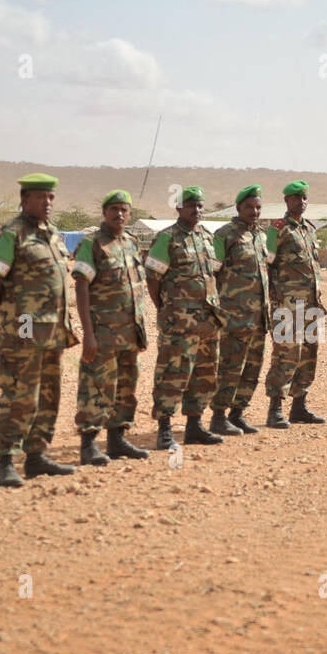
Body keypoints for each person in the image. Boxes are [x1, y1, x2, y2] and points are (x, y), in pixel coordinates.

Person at [0, 173, 79, 486]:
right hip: (24, 327)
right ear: (24, 200)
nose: (48, 202)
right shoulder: (12, 234)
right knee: (20, 393)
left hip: (53, 329)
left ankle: (37, 455)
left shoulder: (53, 234)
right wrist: (10, 316)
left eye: (51, 197)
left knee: (49, 393)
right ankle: (6, 460)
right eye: (41, 197)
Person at [71, 190, 150, 463]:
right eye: (114, 208)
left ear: (130, 214)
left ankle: (117, 440)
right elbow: (81, 287)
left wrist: (141, 331)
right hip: (102, 333)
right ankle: (89, 444)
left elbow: (136, 288)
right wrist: (88, 335)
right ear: (104, 212)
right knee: (96, 386)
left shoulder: (131, 242)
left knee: (126, 387)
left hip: (130, 332)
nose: (119, 214)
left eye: (124, 209)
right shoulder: (92, 243)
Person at [146, 186, 225, 448]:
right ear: (178, 208)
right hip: (178, 323)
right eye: (191, 205)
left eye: (200, 205)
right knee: (172, 374)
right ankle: (165, 430)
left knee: (205, 373)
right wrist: (165, 308)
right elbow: (153, 278)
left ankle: (194, 426)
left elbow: (213, 274)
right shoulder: (167, 238)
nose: (197, 210)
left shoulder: (206, 236)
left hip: (207, 322)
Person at [210, 184, 272, 436]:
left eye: (258, 207)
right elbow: (211, 273)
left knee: (252, 367)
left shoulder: (261, 236)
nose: (254, 211)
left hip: (259, 317)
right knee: (230, 366)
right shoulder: (224, 235)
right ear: (238, 208)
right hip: (234, 317)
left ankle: (238, 414)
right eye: (249, 207)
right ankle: (218, 417)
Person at [265, 180, 326, 426]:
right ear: (286, 201)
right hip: (286, 305)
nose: (300, 202)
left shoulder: (310, 229)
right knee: (285, 354)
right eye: (295, 198)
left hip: (311, 304)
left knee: (309, 353)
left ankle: (299, 406)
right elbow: (266, 265)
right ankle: (275, 409)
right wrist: (273, 298)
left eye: (303, 198)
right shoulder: (277, 229)